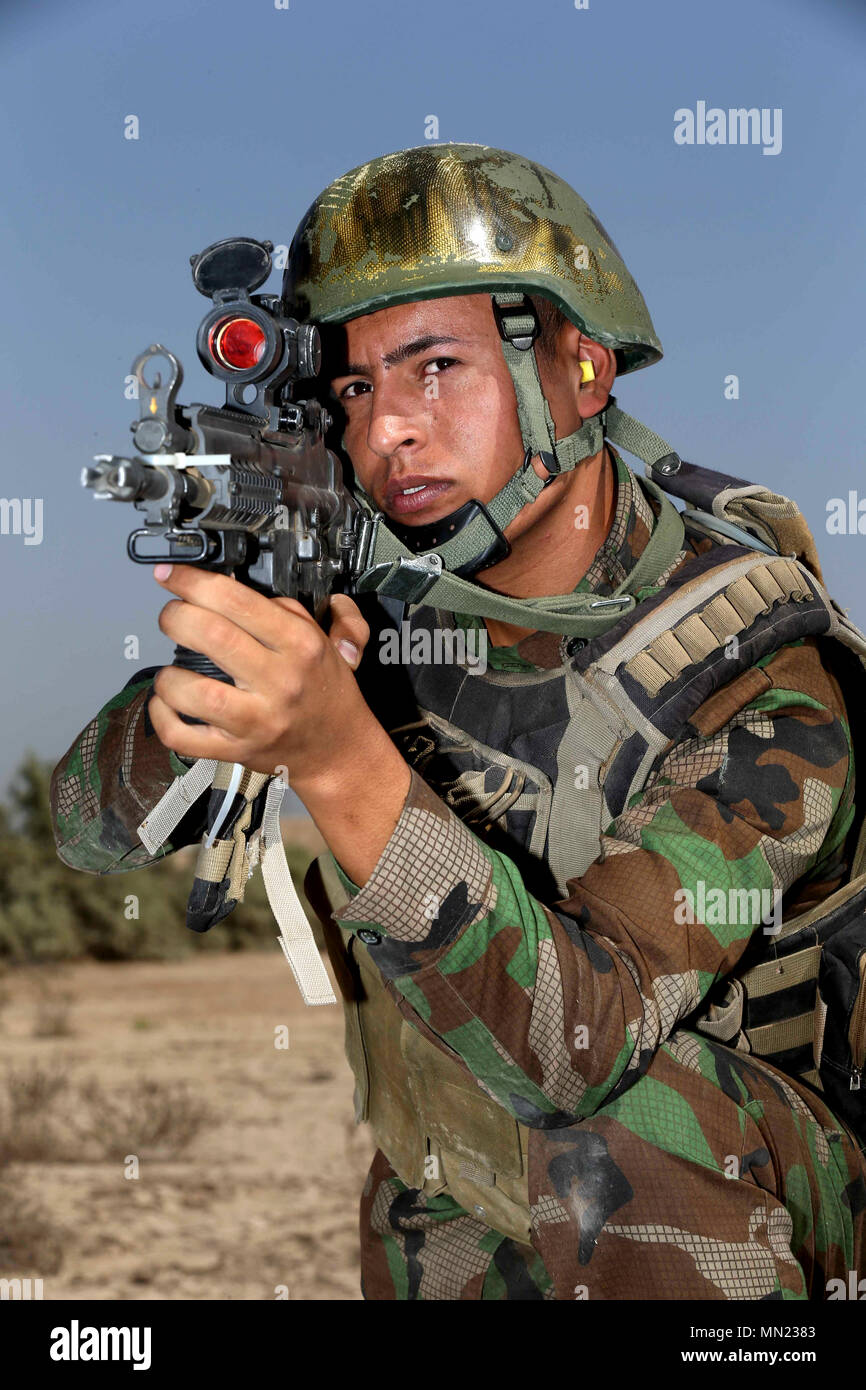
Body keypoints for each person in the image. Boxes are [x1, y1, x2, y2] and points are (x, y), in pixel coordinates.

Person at [51, 143, 866, 1301]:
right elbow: (83, 829)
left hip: (750, 1210)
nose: (387, 431)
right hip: (466, 1192)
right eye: (353, 388)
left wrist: (337, 754)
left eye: (433, 369)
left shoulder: (753, 670)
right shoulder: (382, 607)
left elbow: (578, 1046)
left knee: (615, 1126)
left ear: (579, 371)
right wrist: (221, 659)